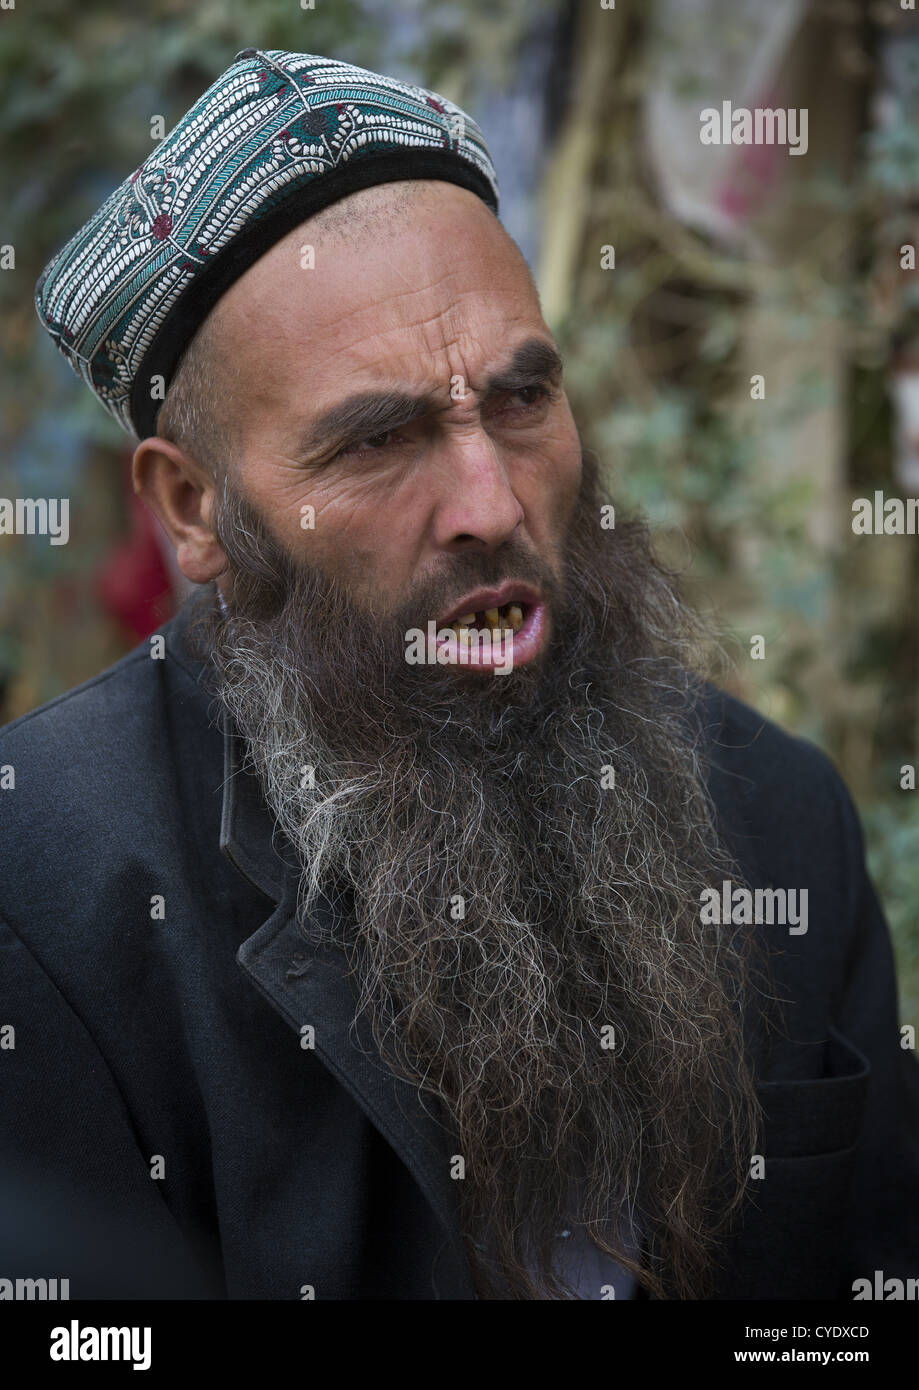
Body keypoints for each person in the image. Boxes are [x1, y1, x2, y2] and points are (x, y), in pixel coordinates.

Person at [3, 47, 917, 1301]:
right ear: (192, 506)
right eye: (378, 439)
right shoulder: (41, 897)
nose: (490, 504)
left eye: (521, 397)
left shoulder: (780, 819)